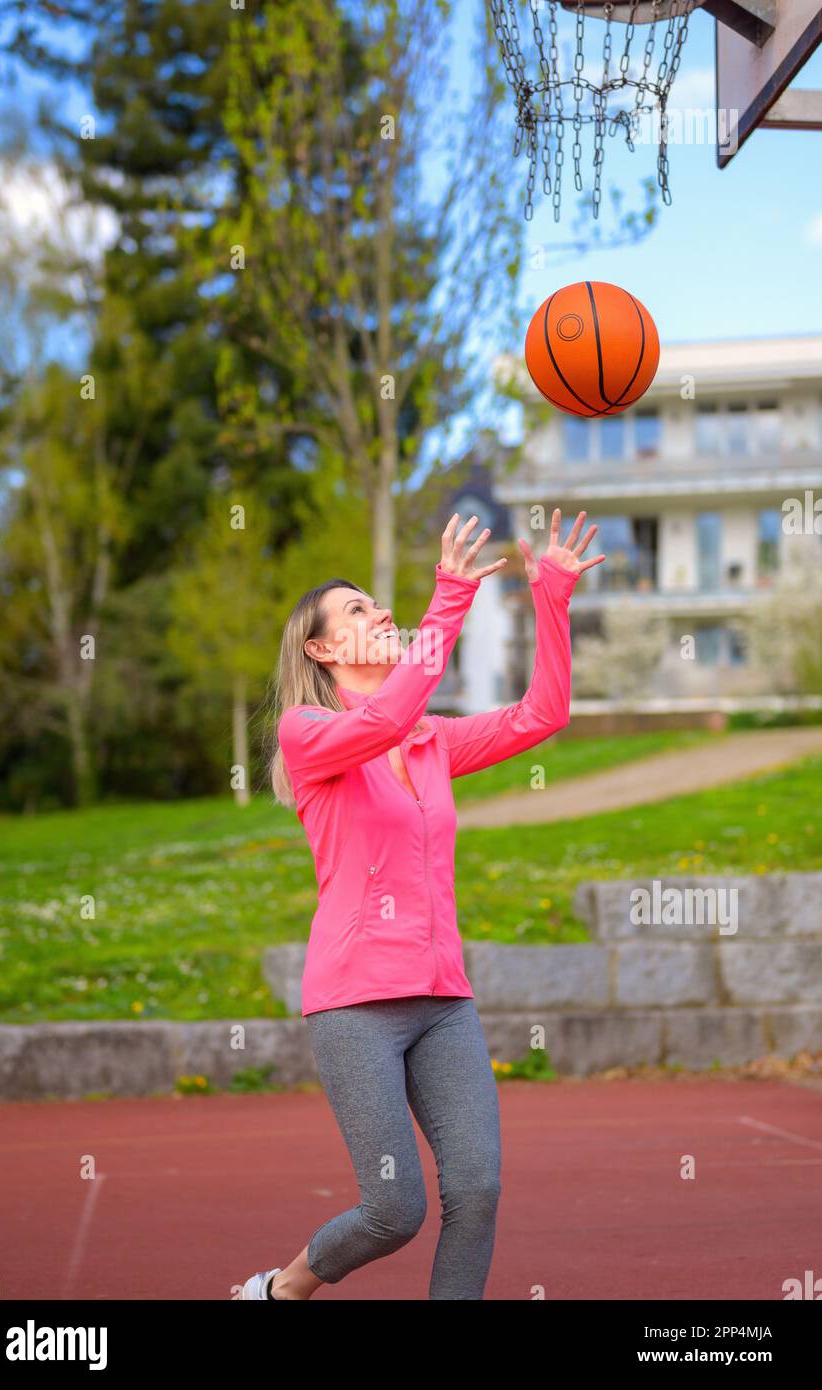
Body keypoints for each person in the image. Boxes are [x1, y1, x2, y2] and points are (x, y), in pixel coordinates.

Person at [242, 508, 604, 1300]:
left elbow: (542, 715)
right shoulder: (309, 734)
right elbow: (385, 716)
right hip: (356, 1004)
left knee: (476, 1191)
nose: (381, 613)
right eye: (360, 610)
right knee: (394, 1207)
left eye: (379, 602)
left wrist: (552, 594)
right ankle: (280, 1289)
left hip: (443, 999)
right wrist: (449, 598)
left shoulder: (428, 742)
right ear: (322, 648)